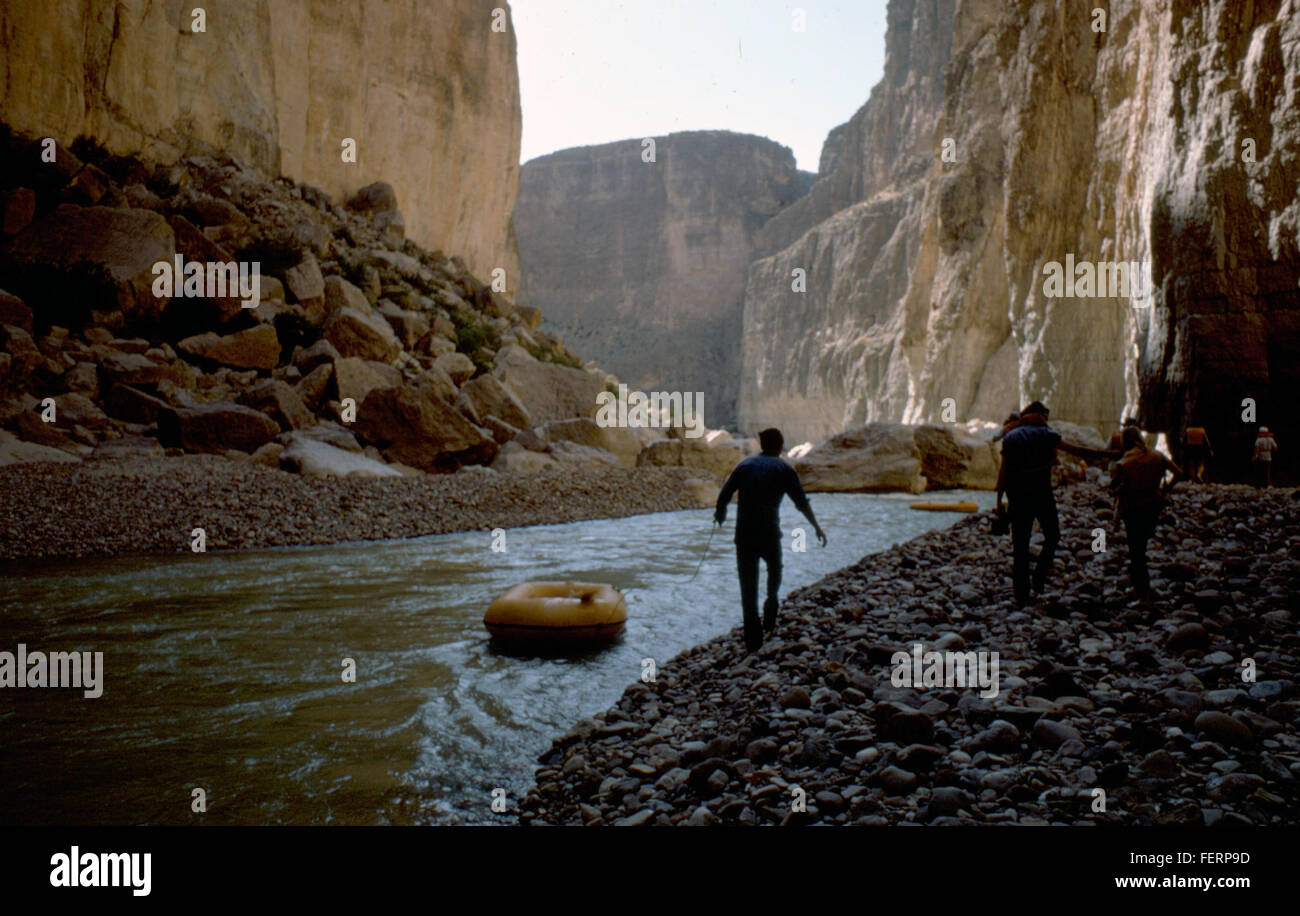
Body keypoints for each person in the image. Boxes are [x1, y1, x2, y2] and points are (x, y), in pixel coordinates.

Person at [995, 401, 1120, 605]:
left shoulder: (1010, 438)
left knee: (1020, 546)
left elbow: (1004, 472)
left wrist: (999, 501)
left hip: (1018, 497)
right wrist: (1110, 455)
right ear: (1042, 416)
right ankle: (1039, 579)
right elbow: (1078, 450)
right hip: (1042, 494)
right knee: (1053, 536)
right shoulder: (1048, 435)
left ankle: (1022, 595)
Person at [715, 428, 825, 651]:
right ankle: (772, 602)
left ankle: (753, 642)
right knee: (775, 570)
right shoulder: (784, 469)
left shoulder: (744, 466)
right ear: (780, 446)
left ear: (762, 445)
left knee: (748, 587)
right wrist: (816, 527)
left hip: (744, 536)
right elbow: (801, 502)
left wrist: (721, 514)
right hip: (770, 534)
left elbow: (725, 494)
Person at [1110, 427, 1182, 602]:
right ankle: (1142, 588)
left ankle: (1143, 594)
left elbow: (1113, 488)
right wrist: (1165, 490)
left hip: (1132, 508)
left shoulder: (1123, 463)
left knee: (1136, 552)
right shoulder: (1157, 455)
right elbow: (1179, 473)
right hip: (1153, 506)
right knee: (1141, 545)